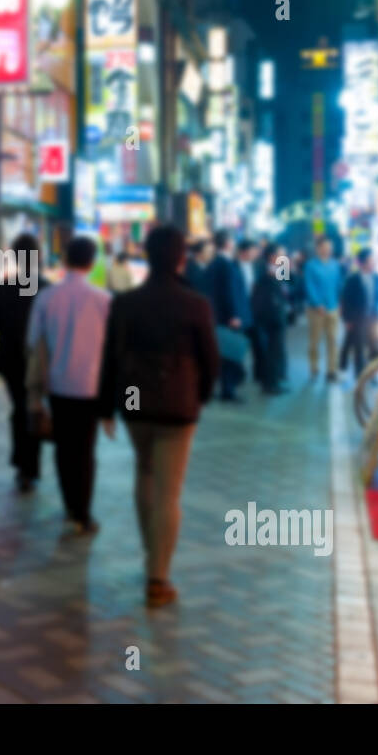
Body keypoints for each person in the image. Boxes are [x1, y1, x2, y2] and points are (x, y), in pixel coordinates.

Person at [99, 224, 219, 608]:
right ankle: (158, 575)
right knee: (169, 490)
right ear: (181, 257)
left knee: (145, 472)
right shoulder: (195, 304)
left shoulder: (126, 302)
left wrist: (107, 407)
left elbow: (111, 357)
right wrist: (200, 396)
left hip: (135, 399)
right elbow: (211, 361)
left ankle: (152, 551)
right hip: (178, 401)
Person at [25, 236, 110, 534]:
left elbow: (33, 341)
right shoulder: (103, 299)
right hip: (90, 386)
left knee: (63, 448)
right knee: (86, 450)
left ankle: (70, 506)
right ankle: (83, 513)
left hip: (57, 385)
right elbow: (112, 348)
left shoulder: (47, 297)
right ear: (92, 262)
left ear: (64, 261)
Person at [0, 234, 48, 493]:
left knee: (19, 408)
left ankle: (22, 465)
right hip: (37, 360)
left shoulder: (5, 287)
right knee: (32, 409)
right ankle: (29, 468)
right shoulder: (45, 288)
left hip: (10, 360)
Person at [205, 230, 251, 401]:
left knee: (227, 353)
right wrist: (234, 315)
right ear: (227, 243)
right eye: (232, 240)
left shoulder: (217, 263)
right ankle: (228, 390)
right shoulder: (224, 264)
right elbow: (229, 292)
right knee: (231, 354)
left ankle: (228, 387)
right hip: (229, 318)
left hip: (222, 317)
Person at [250, 244, 290, 394]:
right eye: (282, 254)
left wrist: (288, 271)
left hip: (279, 314)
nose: (284, 257)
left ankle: (274, 380)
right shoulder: (260, 269)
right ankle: (269, 384)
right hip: (268, 316)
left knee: (277, 350)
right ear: (272, 256)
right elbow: (260, 292)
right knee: (270, 350)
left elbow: (290, 286)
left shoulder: (281, 268)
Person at [304, 236, 343, 381]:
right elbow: (309, 286)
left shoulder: (335, 265)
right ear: (318, 248)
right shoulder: (311, 265)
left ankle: (331, 370)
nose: (328, 250)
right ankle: (314, 366)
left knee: (333, 339)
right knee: (315, 340)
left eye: (330, 247)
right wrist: (316, 303)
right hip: (316, 310)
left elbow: (339, 284)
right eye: (325, 247)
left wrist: (340, 302)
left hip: (333, 307)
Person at [339, 248, 378, 377]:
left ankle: (373, 373)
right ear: (363, 263)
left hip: (373, 318)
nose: (373, 263)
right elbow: (345, 300)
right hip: (357, 318)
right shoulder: (352, 279)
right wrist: (347, 320)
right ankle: (360, 375)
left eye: (373, 261)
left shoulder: (377, 277)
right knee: (358, 347)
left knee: (373, 346)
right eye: (370, 261)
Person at [237, 239, 265, 387]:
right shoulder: (233, 267)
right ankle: (238, 373)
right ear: (244, 252)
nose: (255, 253)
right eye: (253, 250)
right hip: (241, 310)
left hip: (256, 310)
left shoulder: (259, 266)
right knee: (238, 343)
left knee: (259, 343)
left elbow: (286, 281)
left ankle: (259, 373)